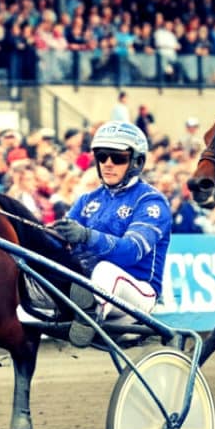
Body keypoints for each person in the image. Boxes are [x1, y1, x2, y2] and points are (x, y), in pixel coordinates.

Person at [49, 121, 172, 347]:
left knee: (104, 270)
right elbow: (62, 242)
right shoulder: (87, 200)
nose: (108, 163)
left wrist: (86, 236)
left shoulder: (151, 202)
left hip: (136, 295)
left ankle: (89, 316)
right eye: (102, 156)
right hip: (89, 285)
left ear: (137, 162)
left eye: (117, 157)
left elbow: (131, 251)